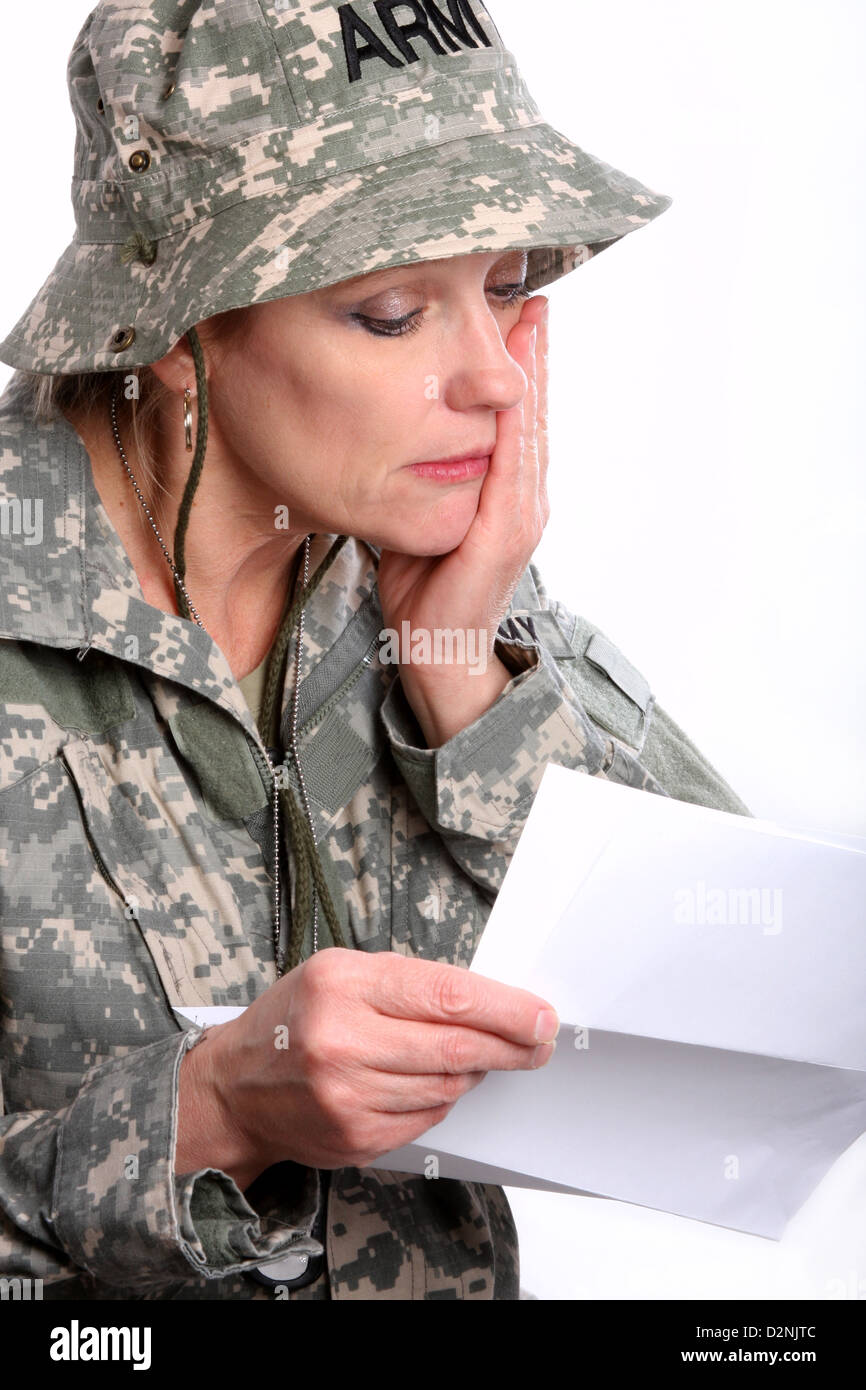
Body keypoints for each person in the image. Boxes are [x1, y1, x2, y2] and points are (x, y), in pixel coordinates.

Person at [0, 0, 750, 1300]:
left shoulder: (431, 585)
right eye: (396, 310)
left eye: (505, 287)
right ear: (182, 334)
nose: (497, 380)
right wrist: (209, 1110)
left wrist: (469, 679)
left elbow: (765, 1029)